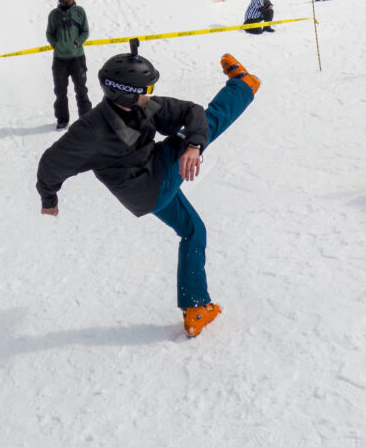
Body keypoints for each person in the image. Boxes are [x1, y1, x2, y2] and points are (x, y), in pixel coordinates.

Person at [37, 45, 262, 338]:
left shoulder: (141, 106)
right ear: (125, 93)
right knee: (209, 124)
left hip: (147, 188)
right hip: (151, 183)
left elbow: (190, 111)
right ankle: (243, 85)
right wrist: (49, 199)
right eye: (145, 89)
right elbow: (50, 165)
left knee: (194, 229)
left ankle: (196, 309)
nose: (149, 94)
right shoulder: (90, 132)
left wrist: (194, 144)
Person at [46, 0, 92, 129]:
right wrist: (56, 45)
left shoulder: (79, 11)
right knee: (60, 92)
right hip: (60, 60)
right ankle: (62, 119)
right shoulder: (54, 15)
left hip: (77, 59)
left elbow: (85, 31)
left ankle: (86, 119)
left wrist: (77, 42)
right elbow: (49, 33)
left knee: (81, 90)